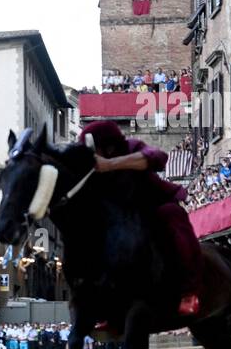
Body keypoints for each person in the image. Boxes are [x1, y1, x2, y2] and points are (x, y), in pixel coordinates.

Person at [83, 120, 202, 317]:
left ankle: (189, 291)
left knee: (176, 222)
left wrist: (110, 165)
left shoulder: (131, 147)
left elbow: (159, 158)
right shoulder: (86, 165)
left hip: (154, 206)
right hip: (122, 216)